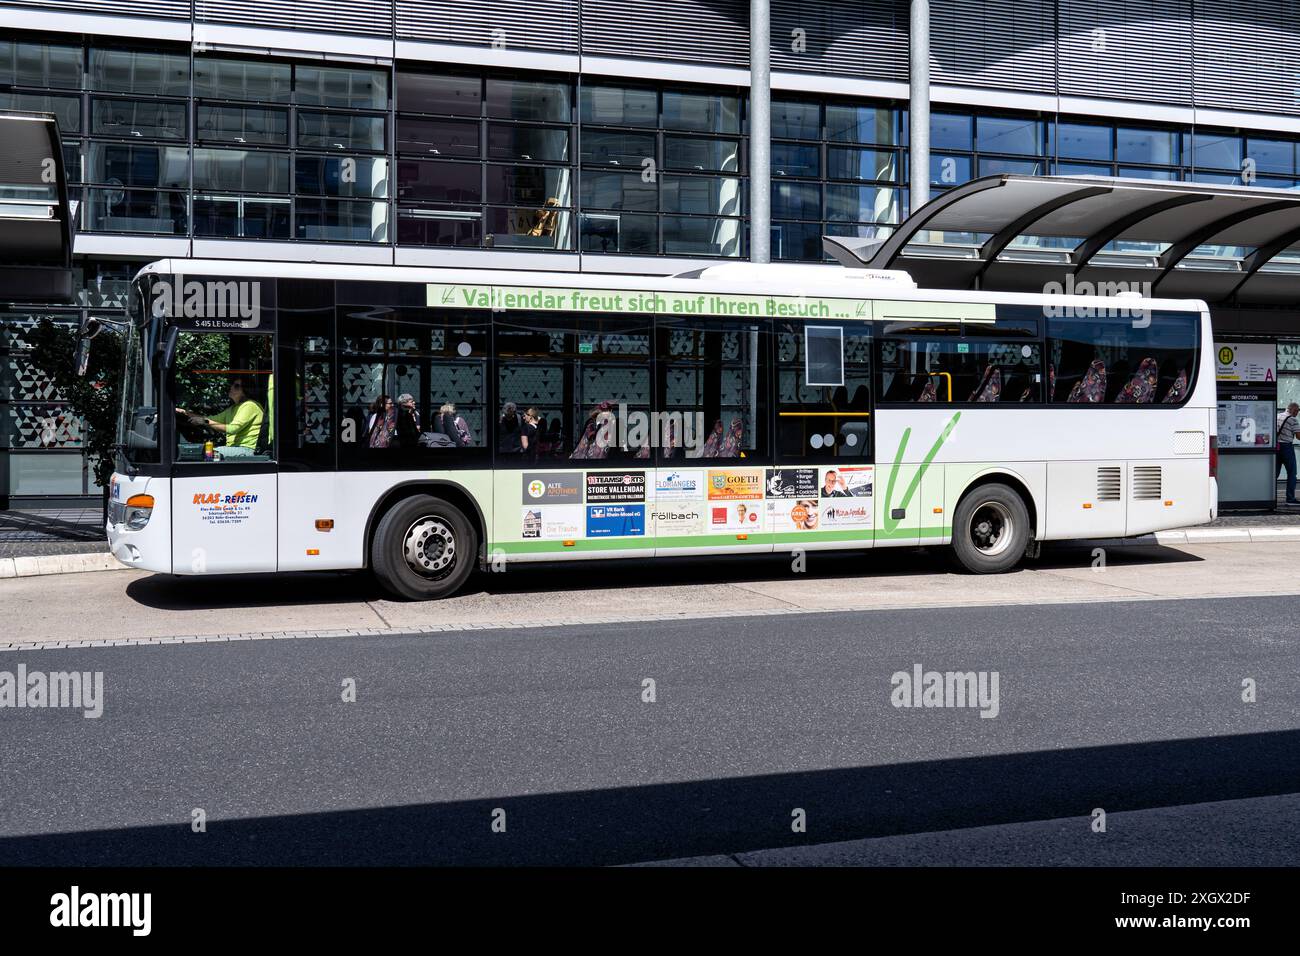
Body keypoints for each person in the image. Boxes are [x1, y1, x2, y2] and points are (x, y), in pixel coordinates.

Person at [177, 376, 263, 451]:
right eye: (232, 385)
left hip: (247, 449)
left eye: (236, 386)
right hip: (233, 448)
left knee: (206, 453)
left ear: (246, 390)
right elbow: (211, 419)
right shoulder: (232, 409)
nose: (231, 387)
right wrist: (185, 413)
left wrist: (205, 422)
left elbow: (233, 429)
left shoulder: (250, 405)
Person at [1277, 402, 1299, 504]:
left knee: (1274, 473)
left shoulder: (1278, 416)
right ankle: (1290, 498)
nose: (1298, 413)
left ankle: (1269, 496)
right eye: (1298, 410)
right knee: (1292, 473)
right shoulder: (1293, 420)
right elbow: (1299, 436)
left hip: (1276, 447)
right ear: (1293, 410)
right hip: (1287, 447)